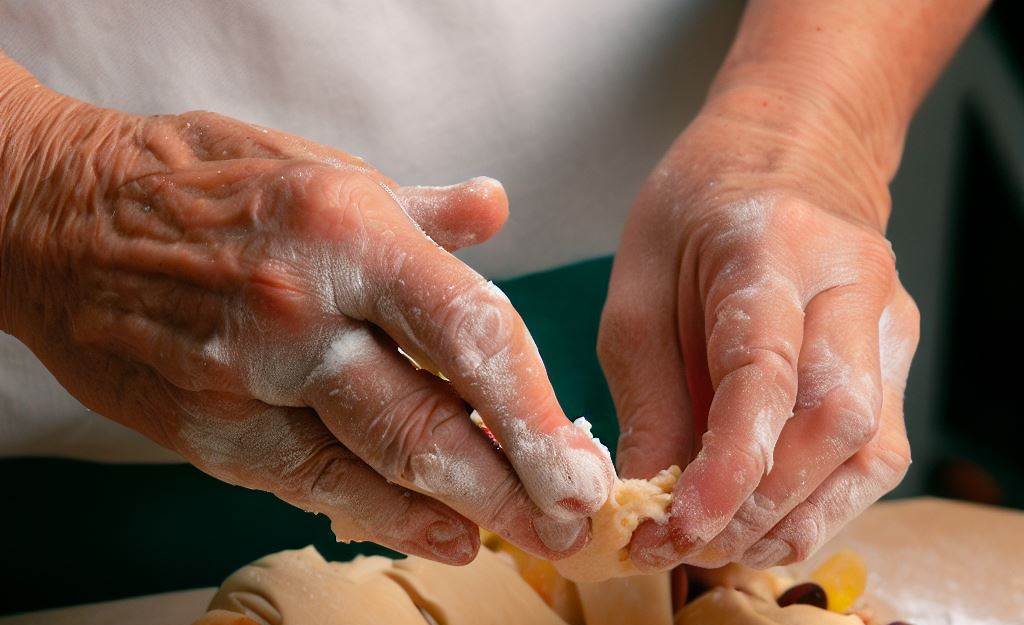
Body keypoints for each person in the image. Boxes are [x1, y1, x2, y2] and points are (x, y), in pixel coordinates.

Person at [0, 0, 987, 575]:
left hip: (675, 304)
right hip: (55, 424)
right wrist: (46, 183)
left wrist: (813, 133)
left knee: (649, 521)